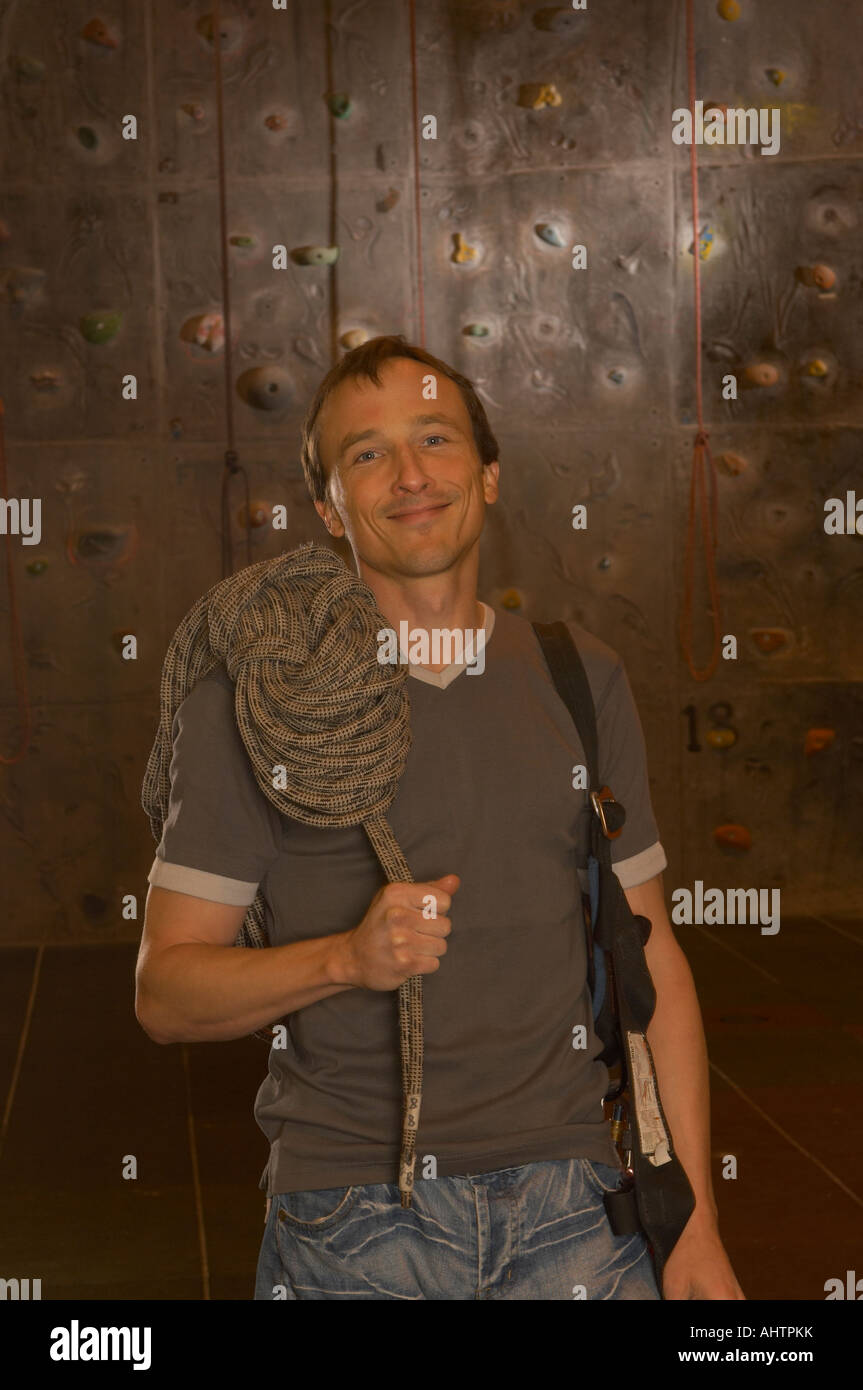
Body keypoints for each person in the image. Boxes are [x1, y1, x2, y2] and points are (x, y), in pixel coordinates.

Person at [135, 335, 745, 1301]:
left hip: (580, 1210)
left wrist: (696, 1225)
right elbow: (165, 994)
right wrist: (346, 959)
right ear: (331, 508)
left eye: (435, 439)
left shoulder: (577, 675)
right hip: (355, 1224)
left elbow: (651, 956)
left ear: (488, 475)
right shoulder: (254, 704)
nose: (410, 475)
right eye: (367, 453)